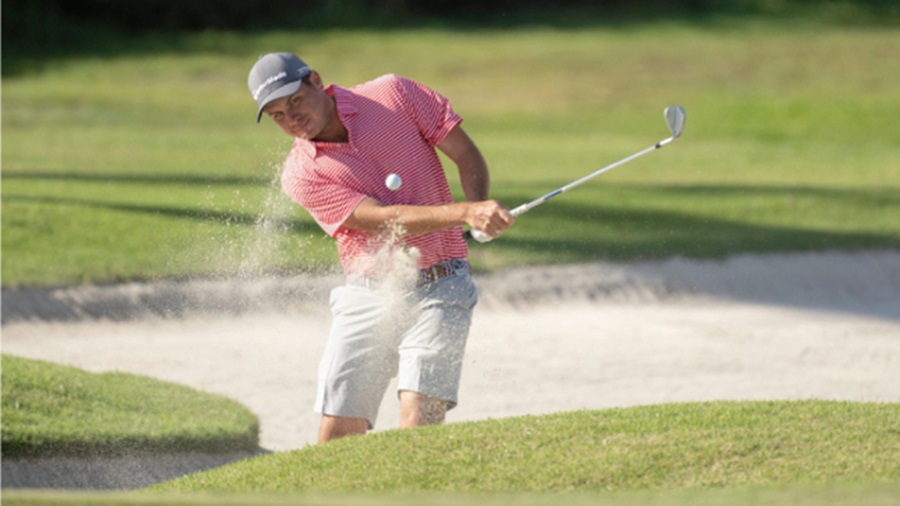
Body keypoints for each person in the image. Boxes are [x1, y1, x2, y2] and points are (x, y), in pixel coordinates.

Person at [247, 52, 515, 443]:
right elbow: (384, 219)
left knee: (418, 421)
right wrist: (466, 213)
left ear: (316, 81)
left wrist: (480, 218)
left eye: (295, 101)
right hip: (369, 295)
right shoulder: (301, 173)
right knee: (338, 432)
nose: (292, 118)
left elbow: (465, 152)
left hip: (444, 284)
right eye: (277, 115)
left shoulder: (394, 94)